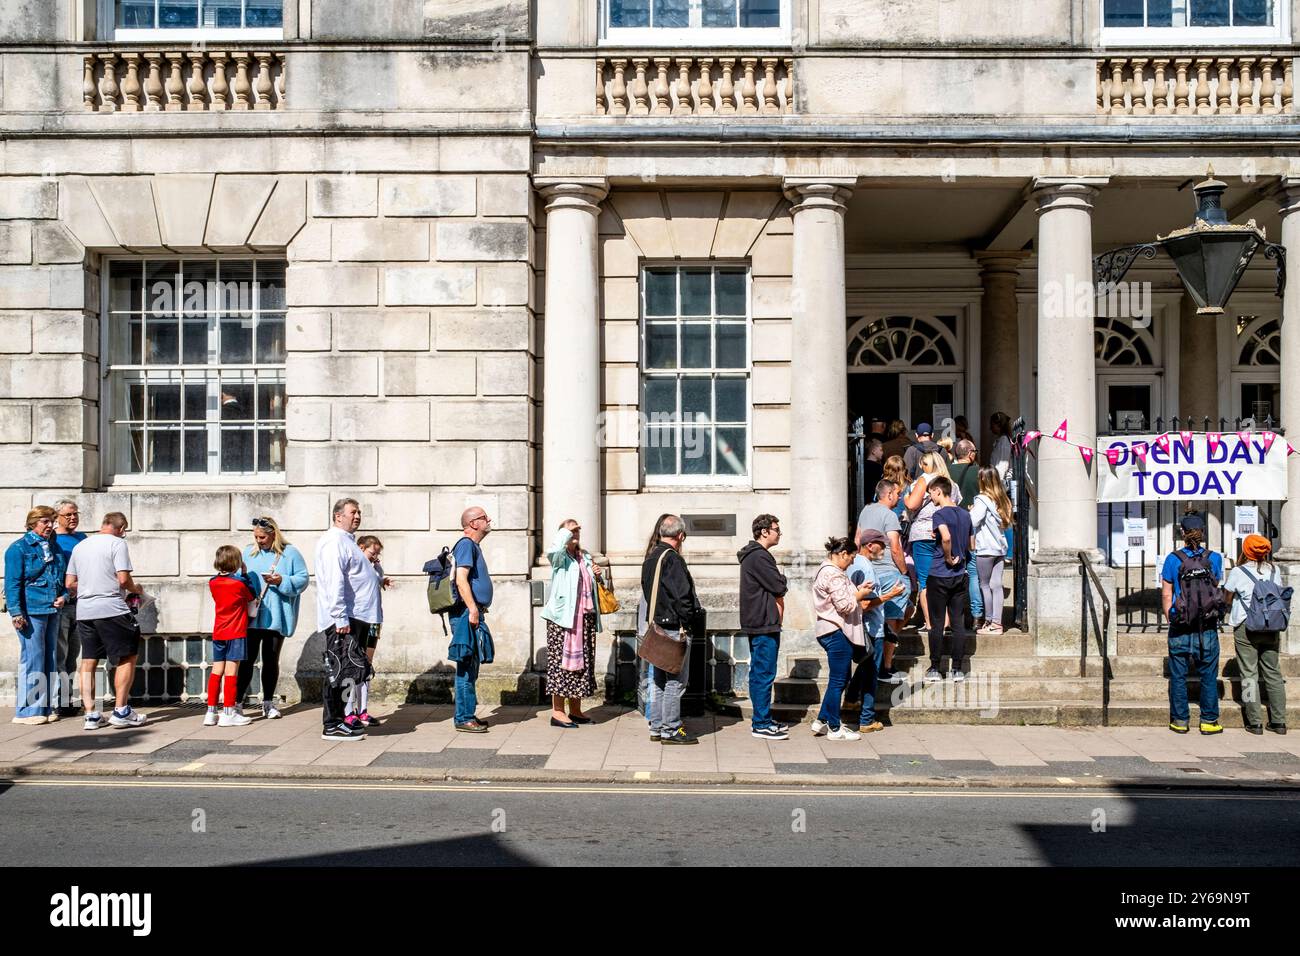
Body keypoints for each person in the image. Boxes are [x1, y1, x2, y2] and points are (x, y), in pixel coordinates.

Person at [64, 512, 146, 730]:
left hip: (85, 610)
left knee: (89, 660)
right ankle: (121, 710)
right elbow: (123, 578)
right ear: (121, 528)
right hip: (111, 608)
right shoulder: (117, 544)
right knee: (128, 655)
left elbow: (70, 582)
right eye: (124, 530)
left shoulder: (80, 546)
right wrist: (135, 589)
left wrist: (90, 586)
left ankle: (90, 714)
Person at [314, 498, 378, 741]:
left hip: (355, 617)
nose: (358, 516)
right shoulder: (333, 542)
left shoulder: (346, 541)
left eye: (359, 512)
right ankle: (332, 724)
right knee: (338, 670)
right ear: (338, 516)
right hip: (343, 619)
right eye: (353, 512)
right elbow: (334, 581)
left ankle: (342, 719)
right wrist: (340, 617)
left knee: (348, 671)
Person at [237, 516, 309, 720]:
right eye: (256, 537)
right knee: (246, 660)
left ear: (273, 534)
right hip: (252, 616)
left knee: (270, 660)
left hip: (276, 616)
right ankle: (237, 703)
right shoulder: (248, 552)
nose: (259, 541)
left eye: (262, 537)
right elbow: (237, 578)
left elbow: (303, 579)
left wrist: (281, 580)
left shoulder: (290, 553)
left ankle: (268, 702)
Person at [1160, 512, 1225, 735]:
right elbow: (1217, 587)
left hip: (1181, 624)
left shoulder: (1172, 559)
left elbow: (1167, 594)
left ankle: (1180, 720)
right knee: (1208, 674)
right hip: (1206, 626)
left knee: (1178, 675)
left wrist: (1171, 616)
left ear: (1182, 533)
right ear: (1203, 533)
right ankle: (1209, 721)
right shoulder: (1214, 558)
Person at [641, 514, 704, 745]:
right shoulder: (673, 560)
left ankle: (657, 726)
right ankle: (671, 729)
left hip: (657, 625)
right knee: (675, 681)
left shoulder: (651, 558)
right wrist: (688, 621)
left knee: (659, 679)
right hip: (674, 627)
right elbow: (683, 597)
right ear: (680, 535)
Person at [5, 506, 68, 724]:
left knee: (49, 658)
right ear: (32, 523)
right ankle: (27, 711)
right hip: (30, 610)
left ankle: (45, 707)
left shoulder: (55, 547)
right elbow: (12, 584)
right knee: (33, 659)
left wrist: (65, 596)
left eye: (51, 521)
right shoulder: (18, 549)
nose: (50, 526)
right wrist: (15, 612)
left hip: (53, 608)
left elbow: (62, 579)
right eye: (44, 522)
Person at [810, 536, 874, 741]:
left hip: (829, 630)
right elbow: (844, 605)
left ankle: (821, 721)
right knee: (838, 681)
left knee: (841, 678)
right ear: (843, 554)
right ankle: (835, 728)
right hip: (837, 631)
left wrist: (858, 589)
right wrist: (860, 594)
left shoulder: (827, 570)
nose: (853, 562)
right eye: (852, 557)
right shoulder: (834, 574)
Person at [1223, 534, 1288, 735]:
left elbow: (1227, 596)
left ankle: (1255, 721)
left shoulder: (1238, 571)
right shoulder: (1274, 570)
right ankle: (1279, 721)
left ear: (1246, 550)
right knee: (1273, 672)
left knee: (1249, 673)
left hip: (1245, 625)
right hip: (1270, 626)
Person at [541, 519, 603, 728]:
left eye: (577, 529)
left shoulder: (584, 556)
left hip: (583, 619)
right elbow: (554, 550)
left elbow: (592, 587)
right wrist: (565, 533)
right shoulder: (560, 558)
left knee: (581, 665)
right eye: (571, 530)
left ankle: (575, 710)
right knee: (561, 666)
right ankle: (557, 712)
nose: (576, 532)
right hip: (563, 620)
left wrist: (597, 576)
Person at [845, 530, 906, 733]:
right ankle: (867, 719)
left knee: (864, 666)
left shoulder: (854, 564)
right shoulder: (866, 567)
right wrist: (891, 595)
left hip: (863, 626)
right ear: (870, 545)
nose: (885, 549)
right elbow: (864, 604)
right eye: (882, 544)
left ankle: (851, 699)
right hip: (871, 628)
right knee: (871, 673)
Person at [738, 514, 790, 740]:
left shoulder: (756, 556)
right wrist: (783, 579)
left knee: (761, 672)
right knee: (764, 673)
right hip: (763, 622)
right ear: (764, 531)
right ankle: (760, 723)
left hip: (760, 620)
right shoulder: (759, 557)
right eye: (777, 529)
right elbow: (778, 585)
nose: (779, 533)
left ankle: (763, 718)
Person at [855, 479, 911, 682]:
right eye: (897, 494)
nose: (899, 497)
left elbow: (857, 539)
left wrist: (858, 563)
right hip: (889, 570)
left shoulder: (865, 511)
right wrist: (905, 572)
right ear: (888, 495)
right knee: (892, 617)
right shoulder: (890, 515)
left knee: (907, 609)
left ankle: (882, 662)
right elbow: (895, 547)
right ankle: (885, 667)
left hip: (870, 569)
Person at [923, 477, 974, 683]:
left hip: (940, 573)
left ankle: (935, 667)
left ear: (938, 491)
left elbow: (945, 537)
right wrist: (960, 552)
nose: (929, 497)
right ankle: (958, 669)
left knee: (937, 623)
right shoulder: (965, 514)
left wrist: (947, 555)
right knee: (958, 622)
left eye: (930, 493)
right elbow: (971, 544)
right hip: (960, 575)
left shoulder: (939, 514)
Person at [450, 506, 495, 733]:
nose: (489, 520)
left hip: (471, 612)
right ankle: (464, 718)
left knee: (471, 667)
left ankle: (467, 714)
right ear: (473, 523)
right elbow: (461, 579)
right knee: (466, 667)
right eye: (484, 517)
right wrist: (473, 609)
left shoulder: (472, 546)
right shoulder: (467, 544)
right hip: (467, 613)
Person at [903, 451, 960, 632]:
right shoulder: (951, 484)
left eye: (922, 464)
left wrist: (905, 496)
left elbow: (912, 504)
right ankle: (947, 621)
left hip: (923, 534)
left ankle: (931, 623)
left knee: (925, 580)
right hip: (945, 534)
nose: (921, 468)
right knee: (944, 578)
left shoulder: (924, 479)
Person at [204, 546, 259, 728]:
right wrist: (245, 575)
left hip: (219, 630)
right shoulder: (239, 583)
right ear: (236, 562)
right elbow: (251, 595)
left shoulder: (213, 582)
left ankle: (211, 711)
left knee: (216, 671)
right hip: (236, 631)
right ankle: (228, 711)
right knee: (231, 672)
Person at [349, 534, 392, 728]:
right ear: (360, 547)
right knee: (352, 664)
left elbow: (374, 582)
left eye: (377, 553)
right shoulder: (354, 564)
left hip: (374, 619)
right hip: (358, 617)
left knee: (366, 664)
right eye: (372, 552)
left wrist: (381, 580)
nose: (375, 557)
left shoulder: (375, 566)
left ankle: (363, 710)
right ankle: (349, 710)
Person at [52, 499, 87, 716]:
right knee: (60, 655)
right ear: (57, 517)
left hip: (81, 603)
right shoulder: (54, 540)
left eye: (75, 514)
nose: (73, 518)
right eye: (68, 515)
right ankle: (59, 701)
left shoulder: (82, 539)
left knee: (73, 654)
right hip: (62, 604)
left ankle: (67, 700)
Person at [971, 467, 1013, 634]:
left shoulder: (981, 499)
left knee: (985, 585)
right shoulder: (1002, 499)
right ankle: (998, 623)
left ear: (982, 480)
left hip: (985, 548)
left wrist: (970, 511)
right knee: (997, 586)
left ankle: (989, 622)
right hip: (999, 548)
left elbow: (974, 521)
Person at [948, 439, 984, 625]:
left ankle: (954, 616)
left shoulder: (946, 471)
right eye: (975, 451)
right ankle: (977, 615)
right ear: (970, 453)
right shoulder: (979, 472)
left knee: (952, 571)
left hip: (951, 527)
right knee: (973, 573)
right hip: (972, 528)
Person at [988, 412, 1013, 486]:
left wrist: (996, 484)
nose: (990, 428)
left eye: (992, 425)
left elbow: (1002, 464)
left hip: (1000, 483)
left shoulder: (1004, 440)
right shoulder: (1001, 440)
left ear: (999, 425)